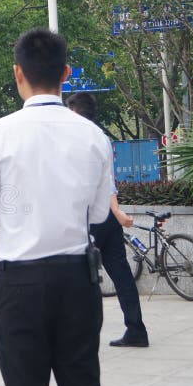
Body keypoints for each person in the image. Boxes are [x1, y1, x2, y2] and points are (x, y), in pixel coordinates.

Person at [0, 28, 112, 386]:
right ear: (66, 72)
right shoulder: (92, 135)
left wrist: (16, 214)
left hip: (20, 284)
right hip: (77, 282)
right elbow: (100, 213)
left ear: (18, 73)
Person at [66, 91, 150, 348]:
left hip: (87, 220)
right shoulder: (102, 139)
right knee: (122, 275)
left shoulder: (73, 140)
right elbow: (108, 183)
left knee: (77, 278)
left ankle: (79, 336)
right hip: (107, 219)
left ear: (76, 112)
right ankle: (136, 330)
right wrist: (116, 212)